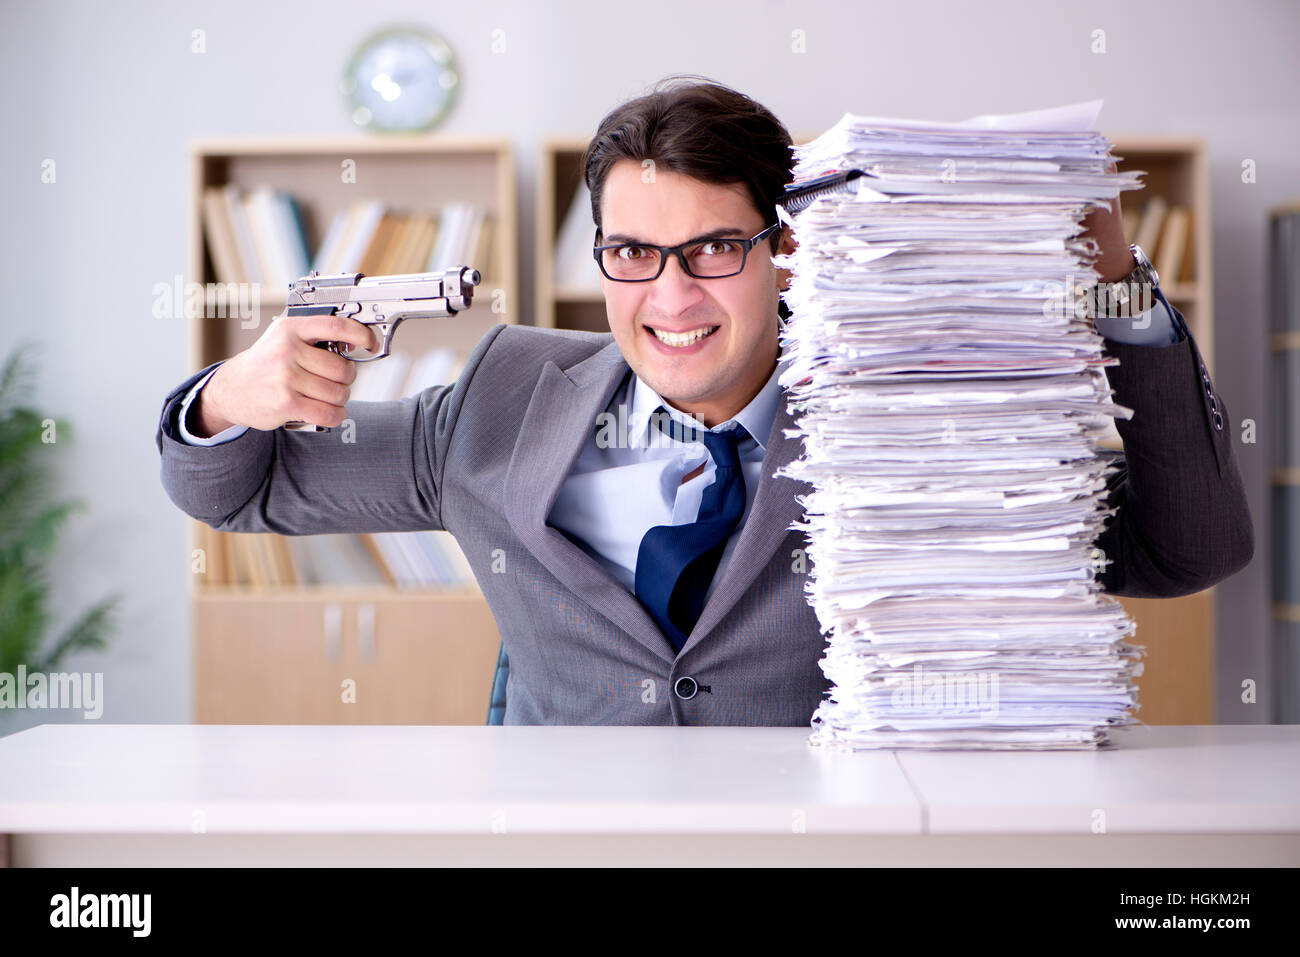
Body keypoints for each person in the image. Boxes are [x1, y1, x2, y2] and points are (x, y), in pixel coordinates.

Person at [156, 75, 1253, 725]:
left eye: (713, 249)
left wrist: (1115, 293)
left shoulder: (912, 410)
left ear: (786, 248)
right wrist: (230, 393)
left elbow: (1185, 553)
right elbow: (247, 496)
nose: (670, 298)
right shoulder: (498, 400)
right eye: (632, 252)